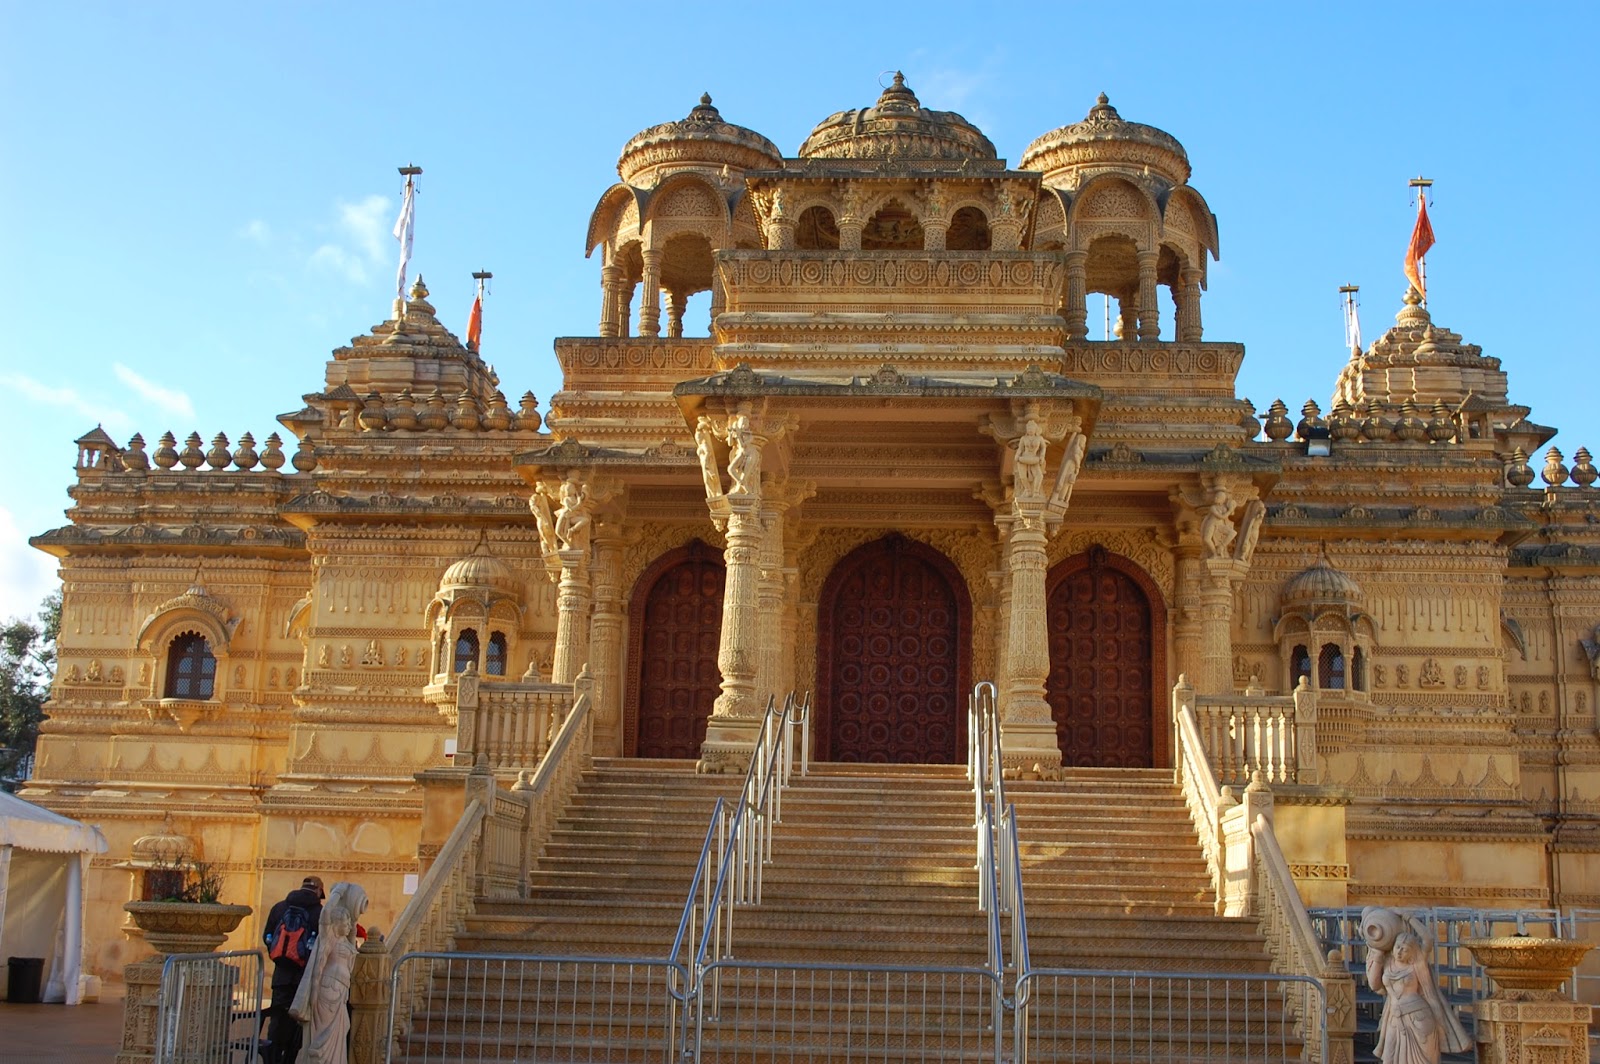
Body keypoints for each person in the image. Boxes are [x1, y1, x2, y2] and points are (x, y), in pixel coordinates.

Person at [1366, 923, 1470, 1064]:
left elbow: (1427, 939)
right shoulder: (1387, 962)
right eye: (1397, 947)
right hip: (1395, 1019)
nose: (1400, 952)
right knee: (1389, 1059)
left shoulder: (1417, 964)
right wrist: (1377, 950)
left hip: (1419, 1018)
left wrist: (1409, 917)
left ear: (1413, 952)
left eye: (1405, 949)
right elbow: (1374, 984)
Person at [291, 881, 369, 1064]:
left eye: (350, 922)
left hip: (340, 992)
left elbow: (353, 924)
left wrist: (355, 911)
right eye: (346, 922)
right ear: (336, 923)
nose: (350, 925)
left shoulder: (346, 942)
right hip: (327, 991)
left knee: (342, 1031)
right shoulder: (329, 938)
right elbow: (325, 914)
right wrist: (338, 893)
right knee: (323, 1034)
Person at [262, 875, 324, 1064]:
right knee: (299, 1021)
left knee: (277, 1018)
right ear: (319, 891)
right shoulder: (320, 912)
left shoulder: (280, 907)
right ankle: (289, 1059)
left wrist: (282, 959)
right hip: (304, 977)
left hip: (281, 975)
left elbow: (268, 937)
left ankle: (272, 1057)